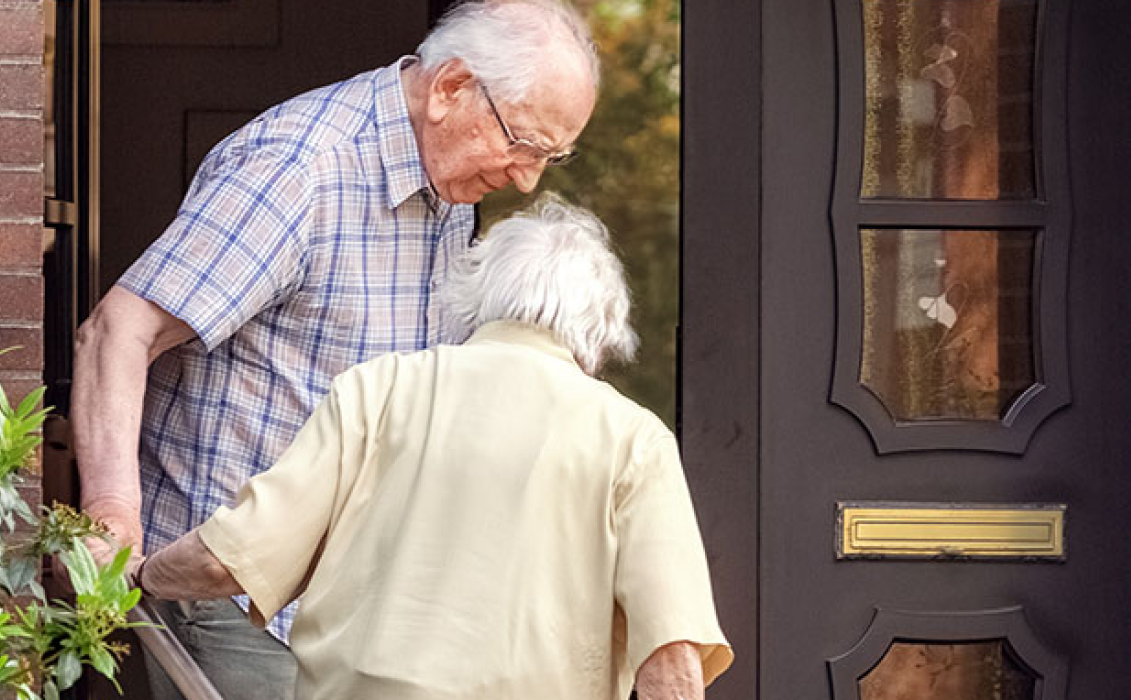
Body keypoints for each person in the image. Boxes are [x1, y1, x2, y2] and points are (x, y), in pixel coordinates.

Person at [67, 1, 599, 696]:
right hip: (237, 598)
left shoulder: (449, 178)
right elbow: (118, 330)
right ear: (450, 88)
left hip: (354, 600)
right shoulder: (301, 171)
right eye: (523, 144)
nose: (527, 178)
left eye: (550, 156)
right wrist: (111, 516)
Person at [132, 198, 732, 700]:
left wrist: (137, 574)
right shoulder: (632, 439)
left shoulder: (379, 389)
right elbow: (671, 661)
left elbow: (228, 558)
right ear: (602, 333)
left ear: (476, 295)